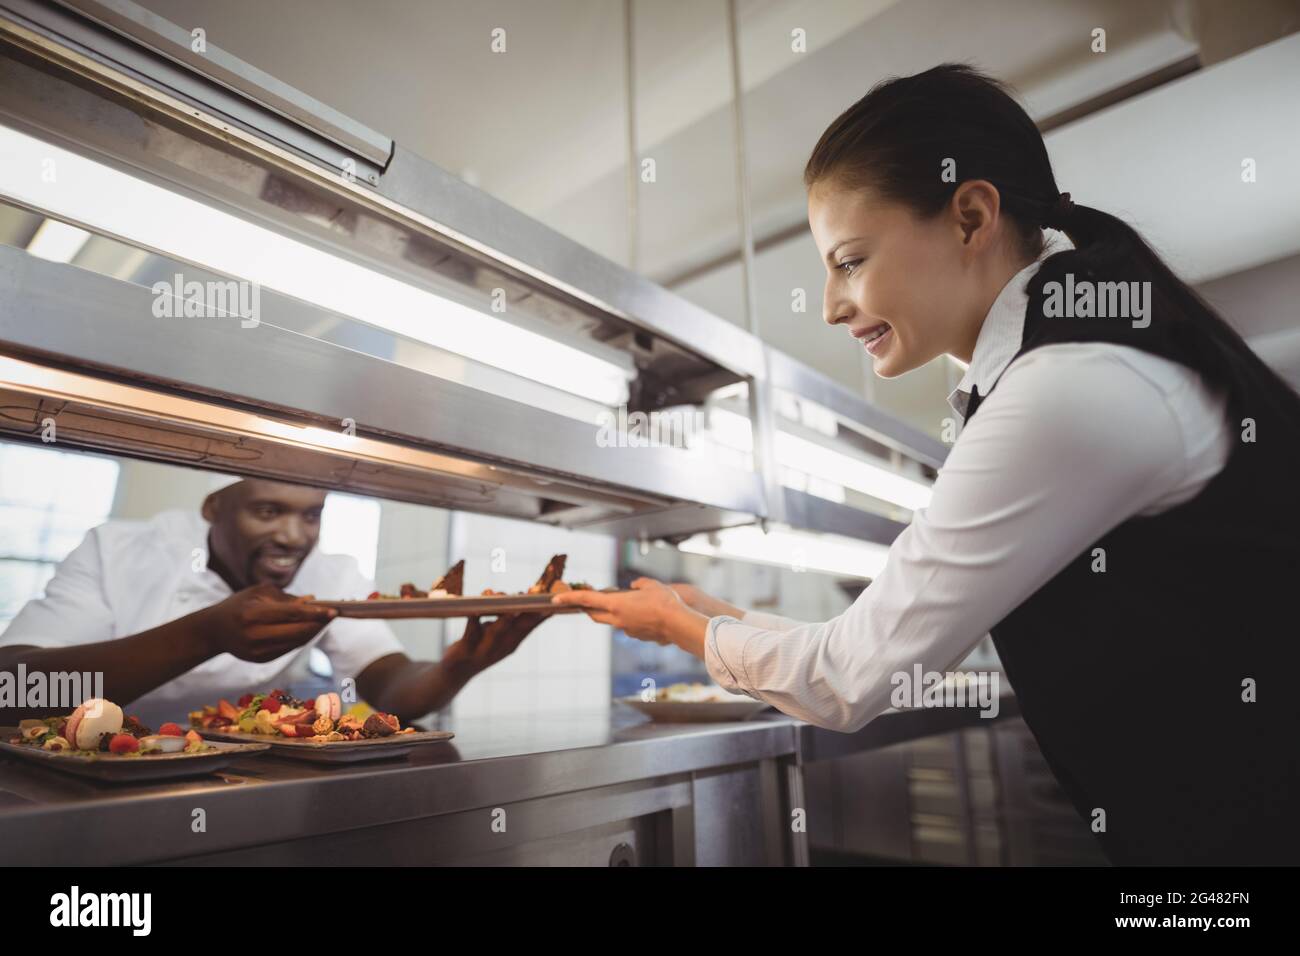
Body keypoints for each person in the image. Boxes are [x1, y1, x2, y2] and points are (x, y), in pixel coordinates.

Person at [554, 64, 1300, 865]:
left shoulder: (1067, 388)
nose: (832, 304)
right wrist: (709, 622)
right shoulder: (1069, 356)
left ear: (971, 215)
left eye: (848, 261)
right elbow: (875, 642)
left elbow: (847, 679)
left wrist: (683, 627)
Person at [0, 477, 545, 727]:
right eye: (267, 511)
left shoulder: (330, 573)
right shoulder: (118, 550)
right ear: (214, 507)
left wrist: (457, 668)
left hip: (233, 777)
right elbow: (13, 687)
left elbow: (388, 686)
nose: (293, 536)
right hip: (88, 774)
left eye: (312, 514)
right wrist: (207, 632)